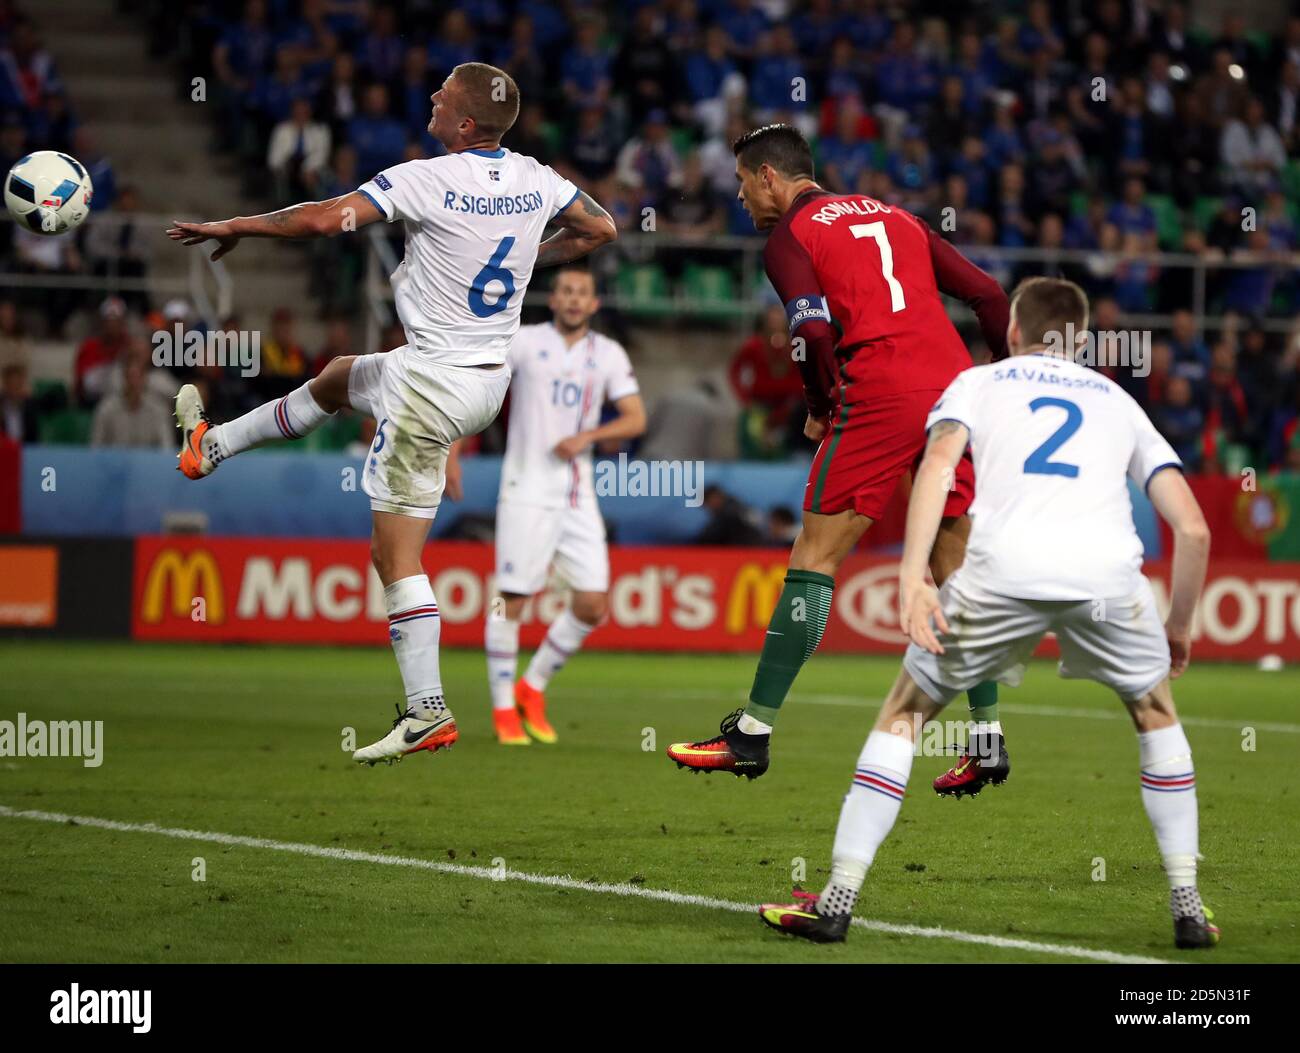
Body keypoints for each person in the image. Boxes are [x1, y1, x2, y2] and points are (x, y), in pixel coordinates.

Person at [167, 61, 617, 766]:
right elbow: (602, 227)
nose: (432, 98)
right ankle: (211, 446)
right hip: (482, 381)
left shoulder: (423, 178)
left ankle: (427, 710)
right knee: (341, 377)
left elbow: (322, 218)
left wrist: (241, 226)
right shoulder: (539, 178)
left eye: (444, 95)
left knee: (393, 554)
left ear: (465, 123)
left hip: (430, 386)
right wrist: (533, 256)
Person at [759, 277, 1218, 952]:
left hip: (1000, 571)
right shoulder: (1120, 402)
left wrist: (914, 577)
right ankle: (1186, 901)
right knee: (1155, 713)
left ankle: (836, 901)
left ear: (1012, 332)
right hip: (1104, 576)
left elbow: (939, 468)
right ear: (1082, 342)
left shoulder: (979, 383)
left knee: (905, 713)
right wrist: (1177, 626)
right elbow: (1196, 529)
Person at [666, 124, 1011, 795]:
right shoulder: (898, 217)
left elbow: (813, 328)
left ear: (771, 177)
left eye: (741, 181)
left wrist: (822, 401)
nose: (739, 196)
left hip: (879, 391)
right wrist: (1005, 378)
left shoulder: (791, 236)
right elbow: (991, 296)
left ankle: (752, 735)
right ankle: (988, 738)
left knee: (816, 556)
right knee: (954, 566)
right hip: (953, 390)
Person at [483, 263, 644, 745]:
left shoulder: (609, 353)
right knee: (509, 597)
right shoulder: (523, 342)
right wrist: (451, 452)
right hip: (525, 489)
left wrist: (589, 437)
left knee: (593, 602)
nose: (574, 299)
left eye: (583, 293)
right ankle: (502, 709)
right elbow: (477, 389)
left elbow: (635, 418)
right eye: (566, 291)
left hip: (577, 494)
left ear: (594, 304)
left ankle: (532, 686)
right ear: (552, 300)